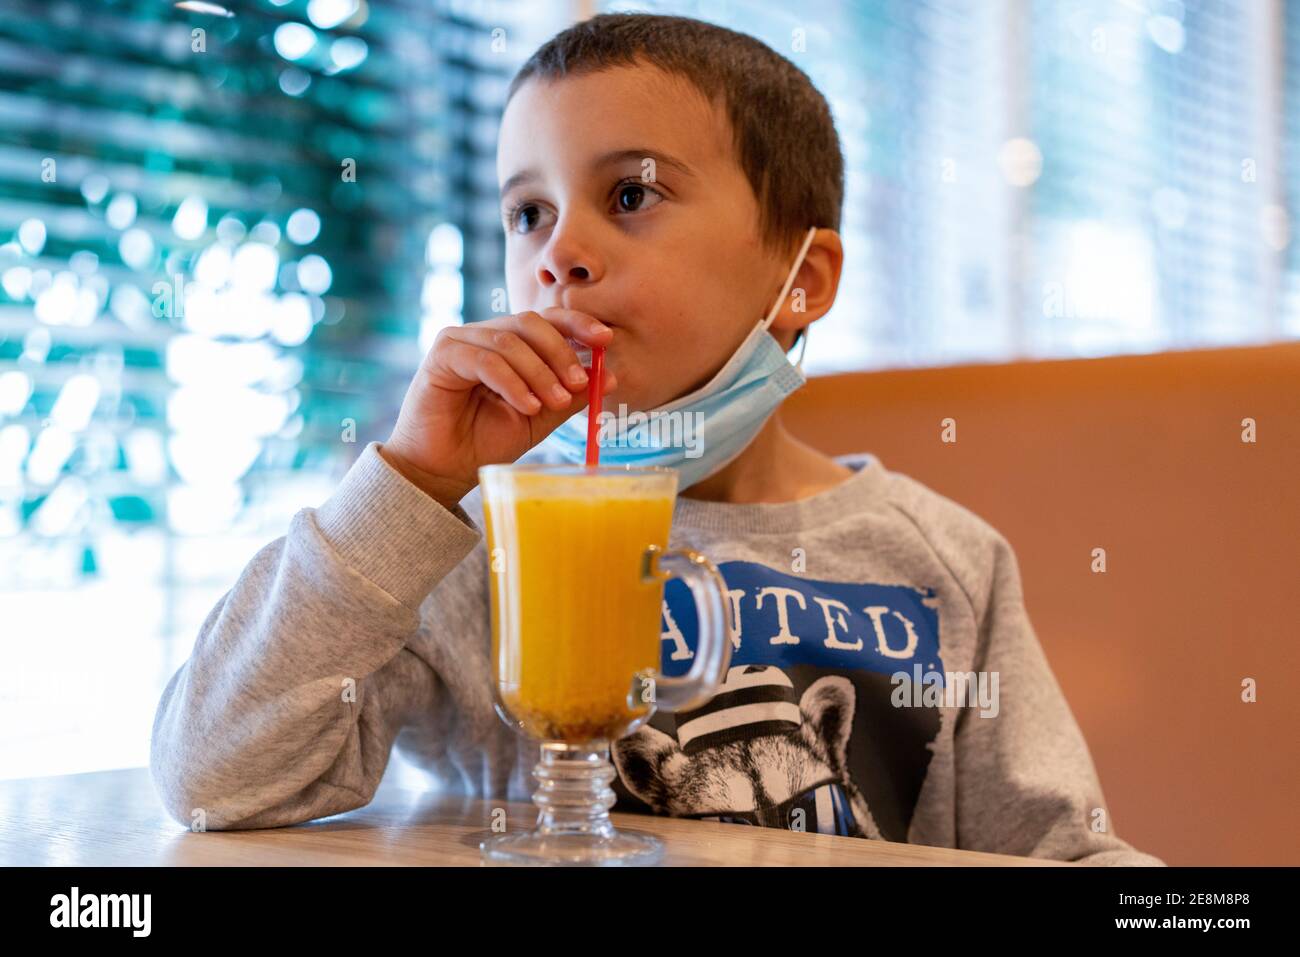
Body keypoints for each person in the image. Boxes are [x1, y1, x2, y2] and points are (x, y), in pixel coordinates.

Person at [150, 12, 1164, 865]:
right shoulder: (461, 540)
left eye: (630, 195)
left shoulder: (946, 561)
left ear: (800, 283)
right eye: (527, 213)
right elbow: (216, 779)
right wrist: (412, 484)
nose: (560, 256)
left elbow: (1060, 853)